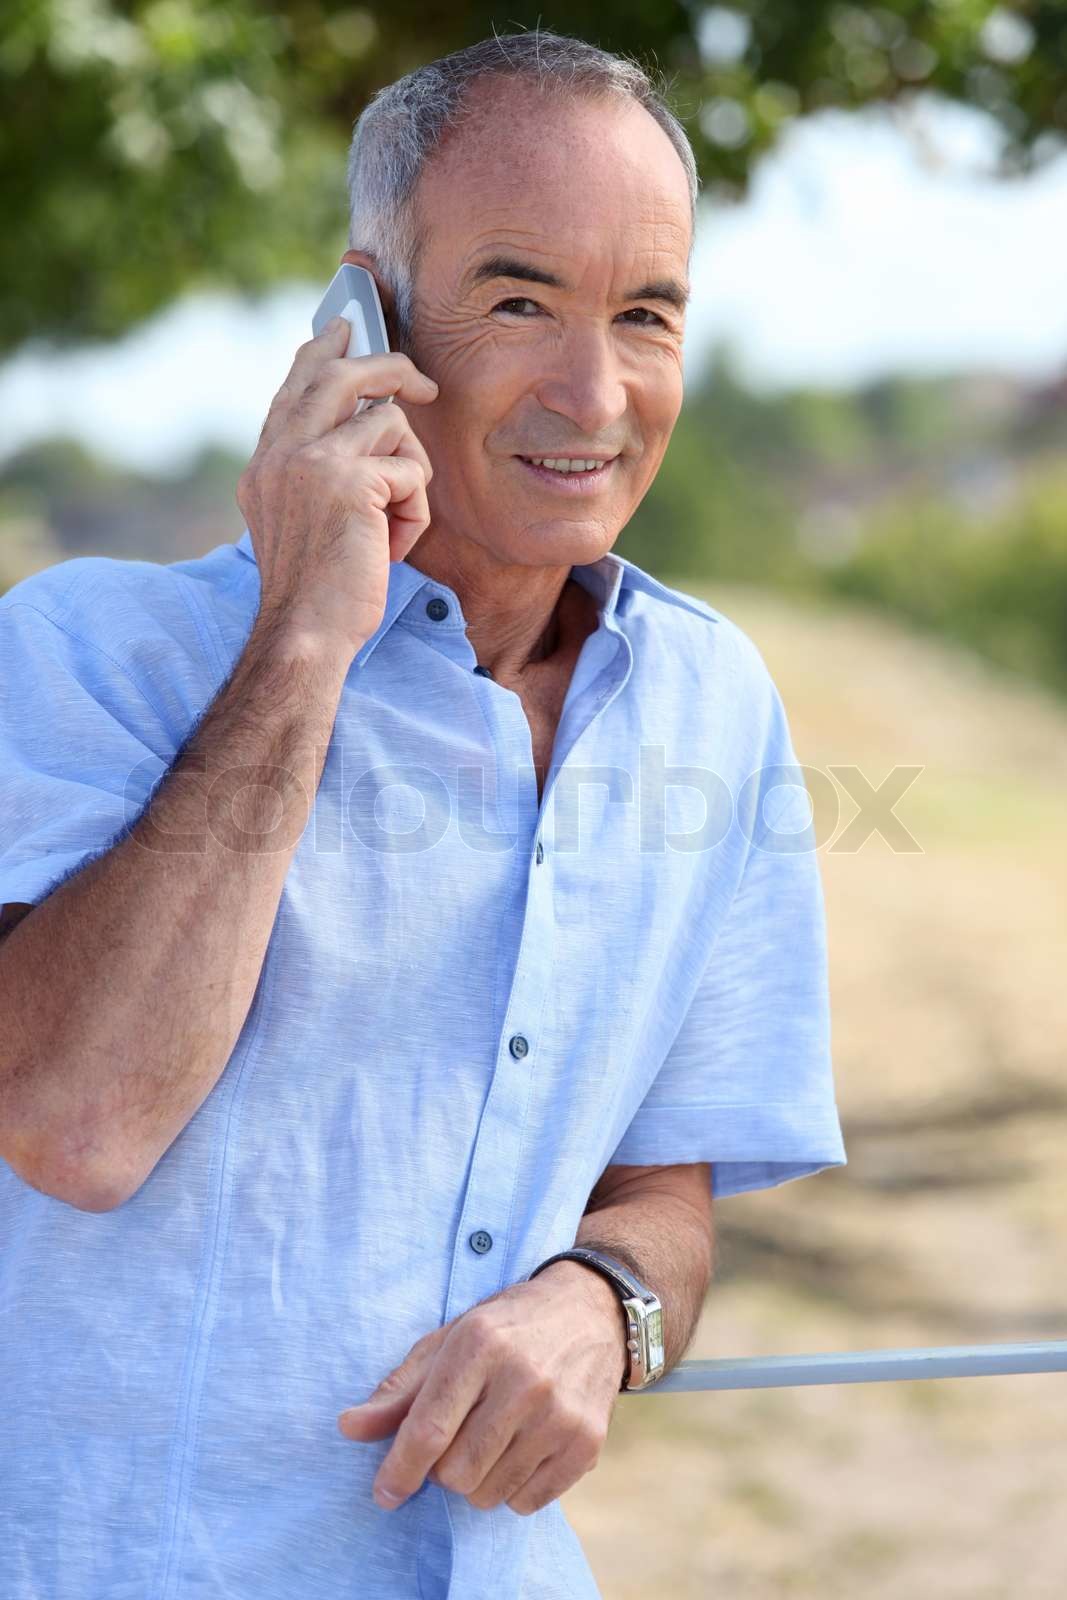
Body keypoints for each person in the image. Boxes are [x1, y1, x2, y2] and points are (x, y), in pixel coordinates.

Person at [0, 28, 846, 1600]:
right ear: (366, 316)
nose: (593, 392)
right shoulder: (83, 653)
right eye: (519, 300)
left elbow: (664, 1197)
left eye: (645, 315)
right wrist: (311, 628)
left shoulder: (713, 710)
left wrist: (603, 1306)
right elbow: (77, 1119)